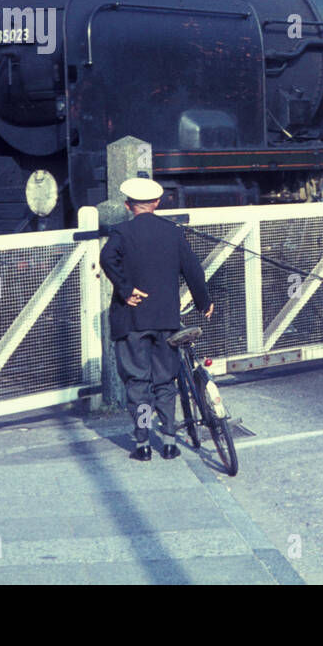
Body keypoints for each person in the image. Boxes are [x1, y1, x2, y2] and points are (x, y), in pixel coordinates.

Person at [101, 177, 213, 462]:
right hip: (166, 321)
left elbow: (106, 258)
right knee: (165, 380)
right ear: (157, 203)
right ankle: (170, 441)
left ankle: (142, 444)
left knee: (137, 383)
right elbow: (193, 270)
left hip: (132, 320)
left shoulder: (121, 232)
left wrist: (126, 290)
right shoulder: (173, 232)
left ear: (128, 206)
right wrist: (204, 302)